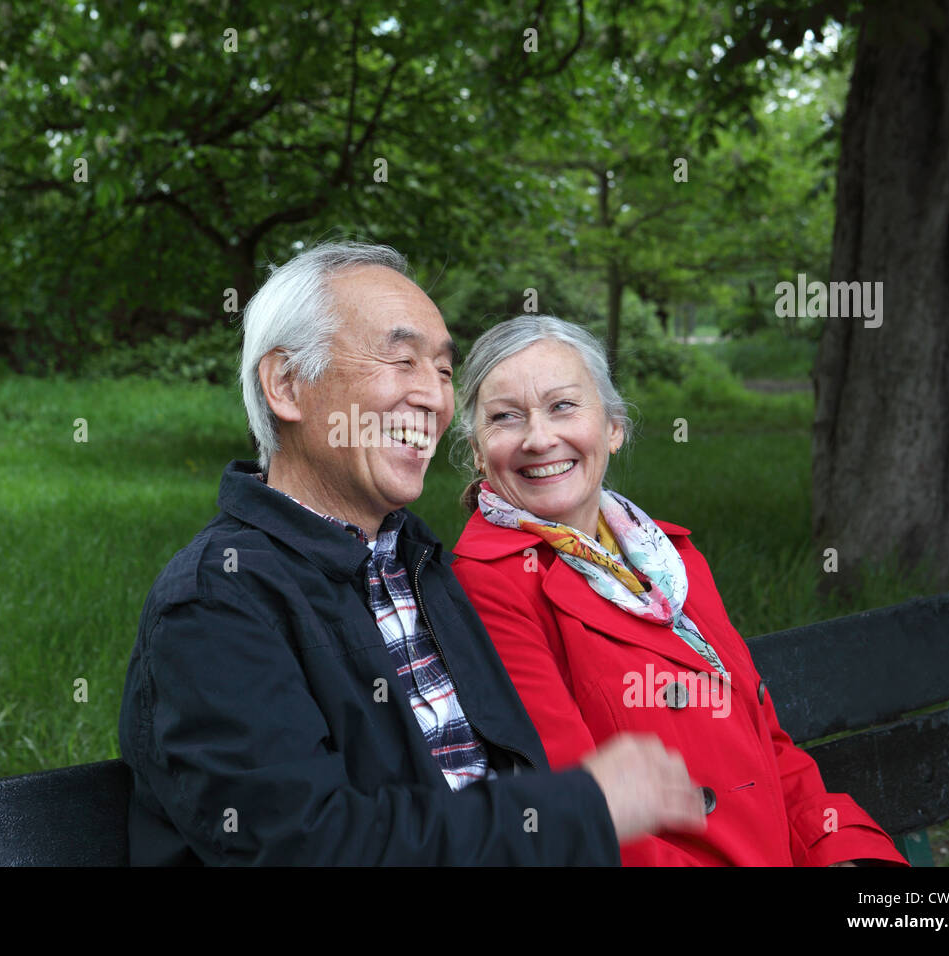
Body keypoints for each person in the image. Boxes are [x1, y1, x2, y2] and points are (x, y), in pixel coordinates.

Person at [117, 243, 707, 864]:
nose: (435, 398)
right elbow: (310, 848)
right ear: (288, 385)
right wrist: (580, 811)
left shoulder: (419, 565)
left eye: (445, 371)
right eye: (401, 360)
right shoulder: (216, 600)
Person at [449, 314, 908, 866]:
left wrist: (846, 853)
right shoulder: (489, 585)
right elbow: (581, 813)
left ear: (613, 427)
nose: (540, 438)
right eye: (505, 418)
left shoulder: (667, 558)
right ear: (477, 449)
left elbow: (769, 746)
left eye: (563, 406)